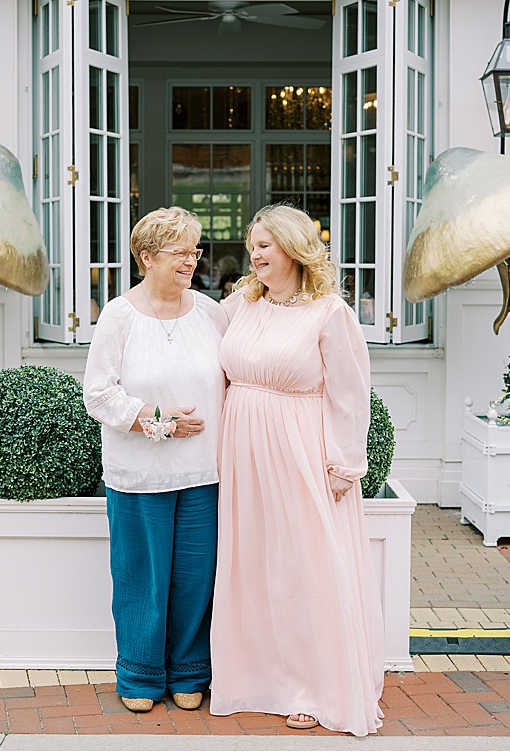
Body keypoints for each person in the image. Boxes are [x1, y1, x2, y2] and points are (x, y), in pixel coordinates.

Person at [209, 204, 384, 735]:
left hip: (300, 452)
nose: (253, 254)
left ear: (293, 248)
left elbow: (351, 394)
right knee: (252, 563)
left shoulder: (329, 312)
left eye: (263, 245)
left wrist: (345, 464)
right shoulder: (241, 304)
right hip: (241, 455)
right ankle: (255, 677)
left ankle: (315, 686)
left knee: (304, 568)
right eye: (251, 244)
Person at [83, 207, 226, 713]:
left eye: (195, 249)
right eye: (180, 251)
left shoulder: (212, 313)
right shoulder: (118, 316)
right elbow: (97, 395)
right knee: (141, 575)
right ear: (146, 257)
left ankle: (189, 670)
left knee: (194, 575)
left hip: (204, 472)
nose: (192, 260)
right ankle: (140, 675)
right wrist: (157, 420)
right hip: (138, 474)